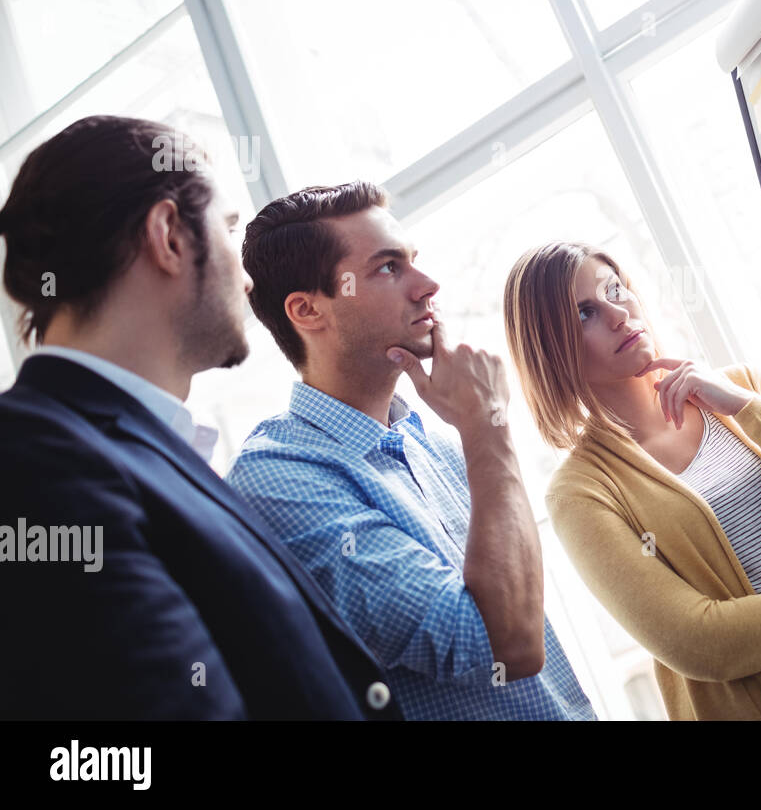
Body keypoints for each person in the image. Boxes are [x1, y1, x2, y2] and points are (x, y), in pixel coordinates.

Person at [0, 115, 400, 719]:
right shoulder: (35, 462)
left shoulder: (125, 448)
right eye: (228, 228)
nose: (245, 278)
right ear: (169, 236)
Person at [227, 182, 595, 721]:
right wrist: (489, 427)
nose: (427, 285)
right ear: (307, 310)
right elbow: (504, 644)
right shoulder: (277, 476)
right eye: (387, 268)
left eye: (413, 261)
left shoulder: (437, 440)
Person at [503, 240, 761, 720]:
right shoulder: (580, 494)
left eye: (615, 289)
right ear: (549, 350)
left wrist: (746, 410)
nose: (619, 315)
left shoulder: (747, 390)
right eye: (585, 313)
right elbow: (705, 643)